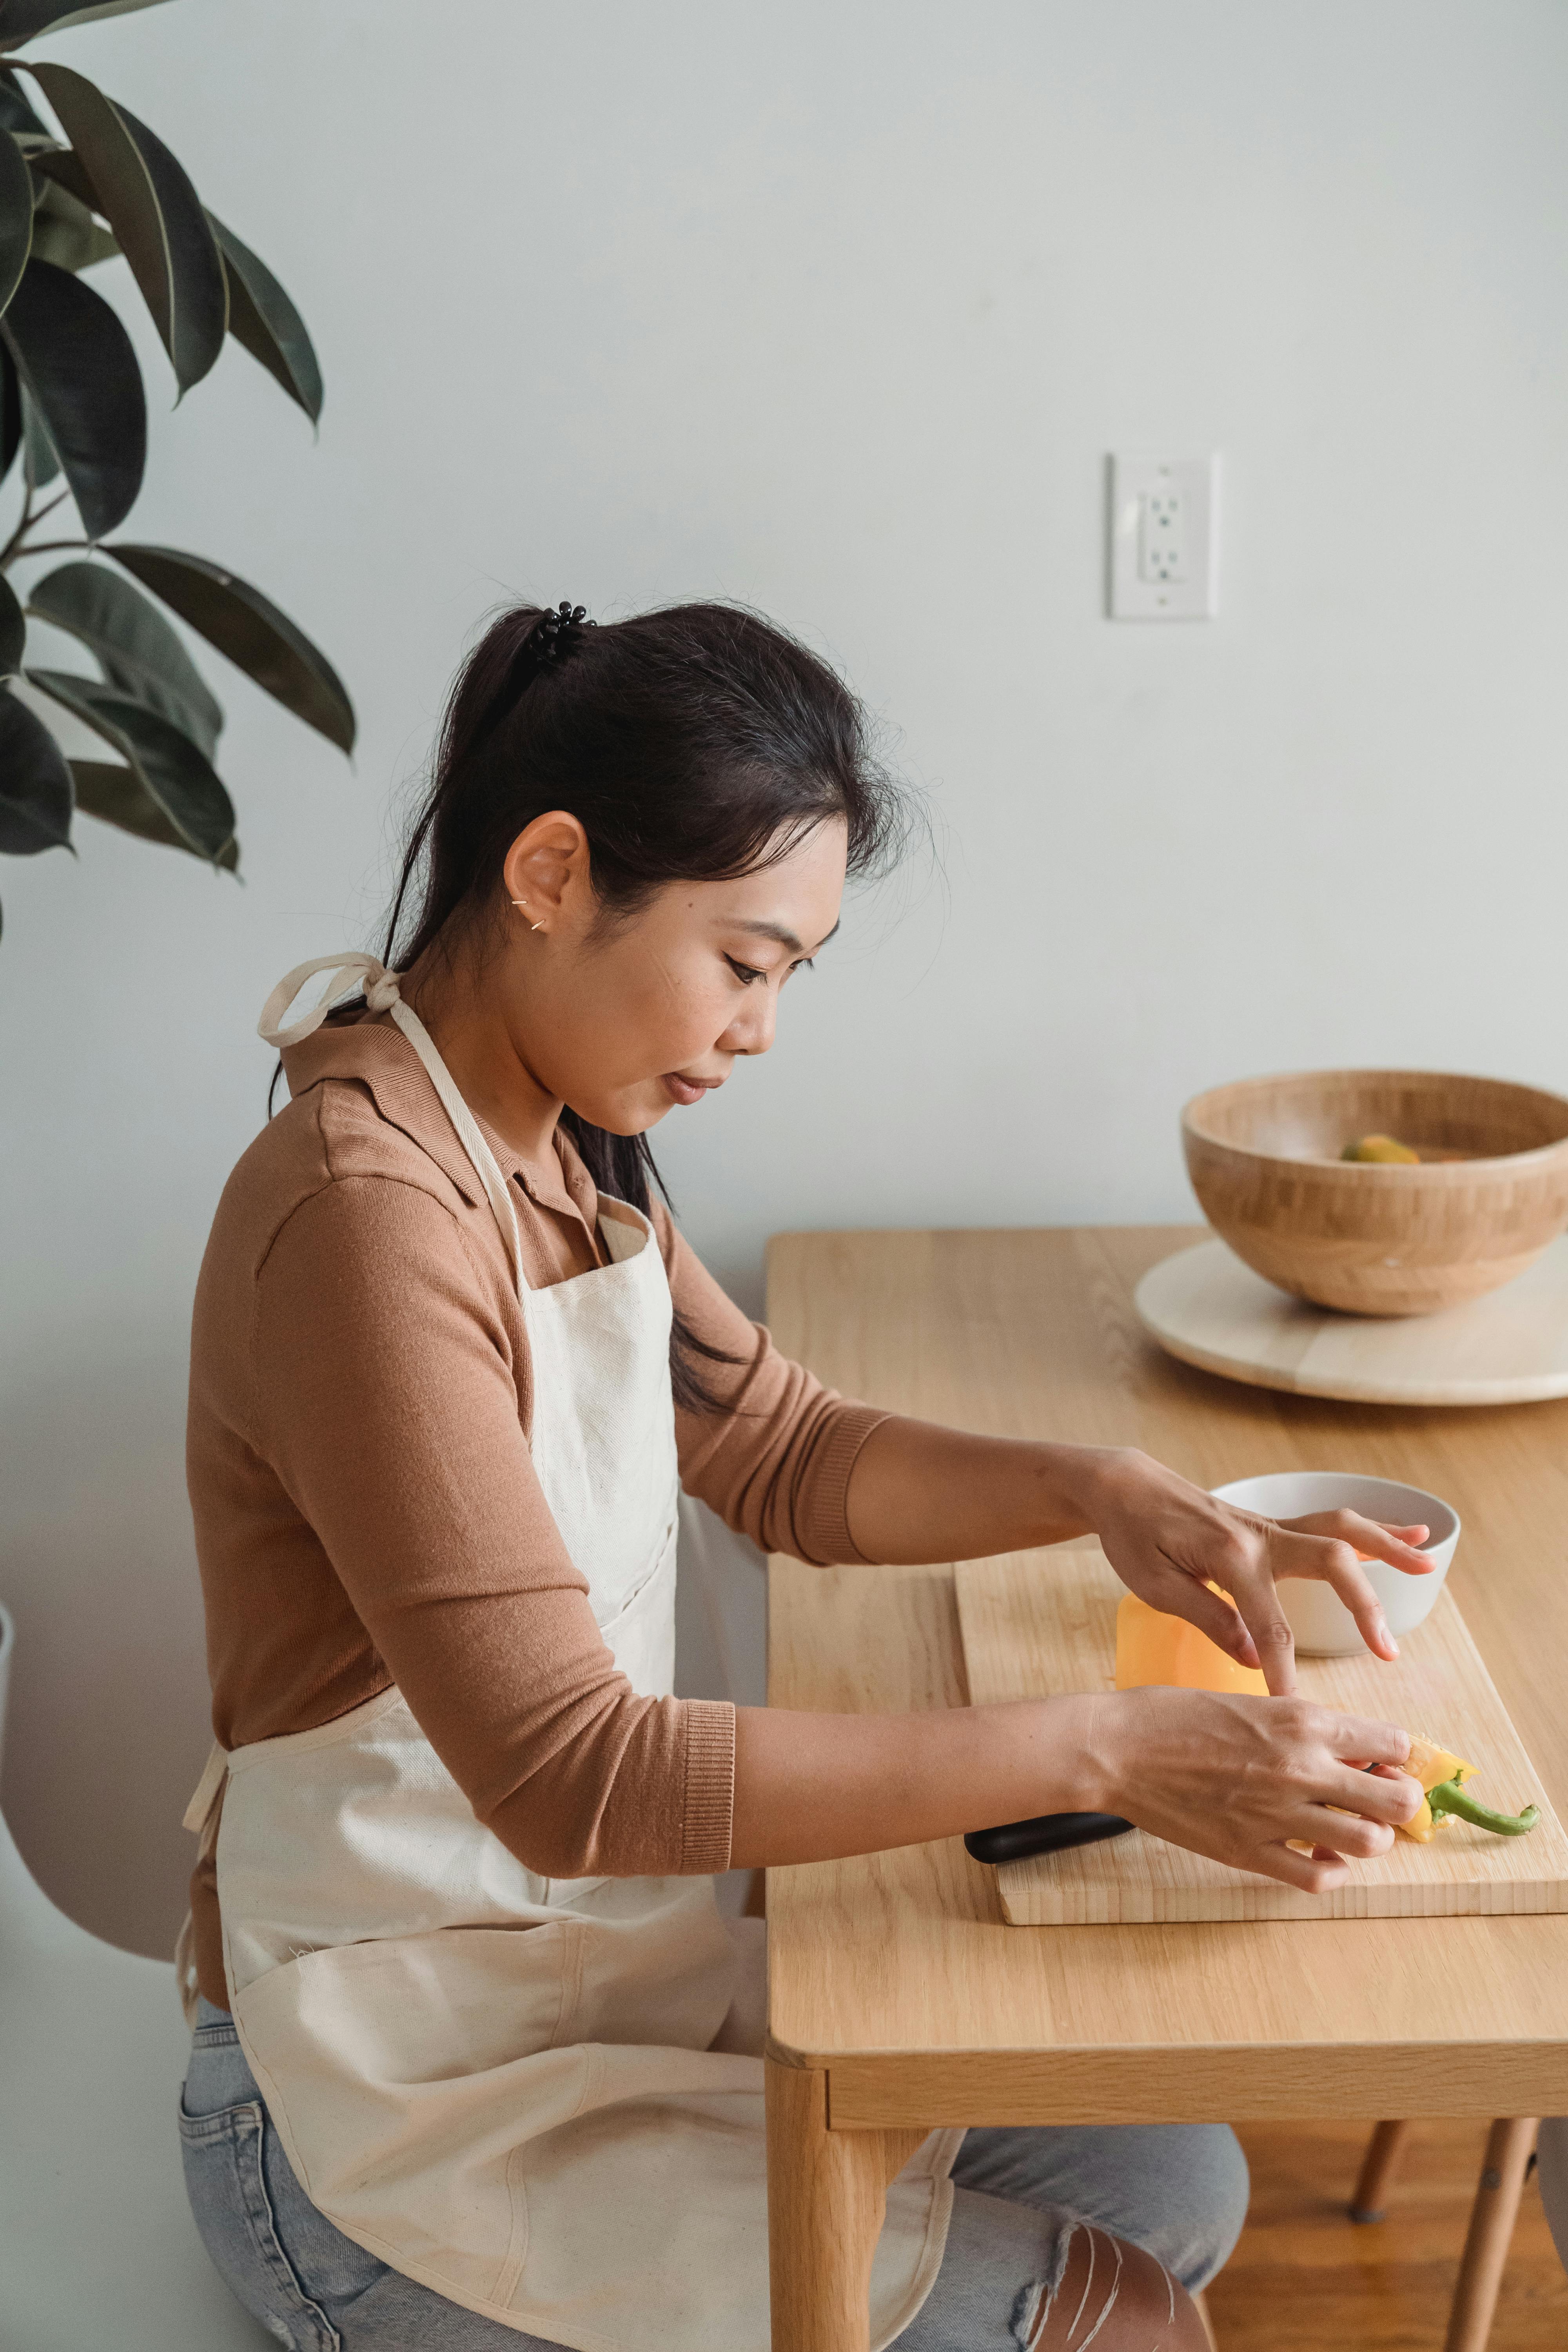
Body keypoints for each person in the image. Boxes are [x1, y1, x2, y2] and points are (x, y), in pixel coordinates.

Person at [177, 599, 1428, 2352]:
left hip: (590, 1984)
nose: (761, 1029)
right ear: (550, 872)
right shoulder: (366, 1217)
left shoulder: (562, 1143)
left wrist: (1098, 1485)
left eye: (789, 978)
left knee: (1170, 2183)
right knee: (1130, 2319)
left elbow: (781, 1450)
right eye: (743, 960)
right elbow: (572, 1781)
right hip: (382, 2106)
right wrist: (1112, 1748)